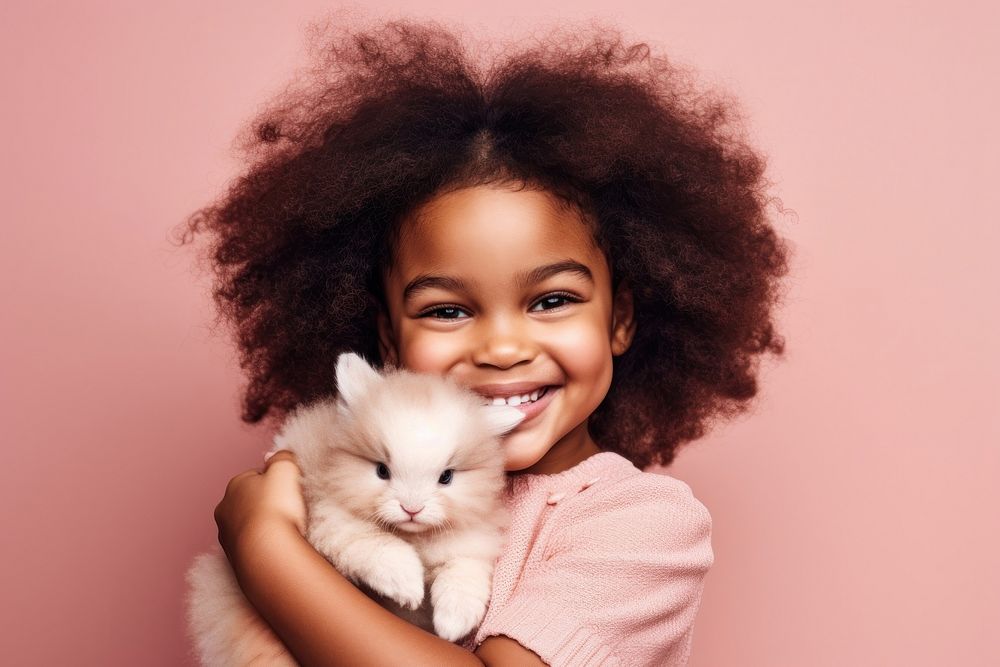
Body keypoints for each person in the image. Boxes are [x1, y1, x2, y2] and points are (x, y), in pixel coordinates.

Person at [179, 15, 790, 666]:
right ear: (389, 340)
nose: (502, 347)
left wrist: (269, 550)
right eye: (447, 310)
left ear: (620, 320)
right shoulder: (353, 482)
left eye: (552, 300)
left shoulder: (643, 525)